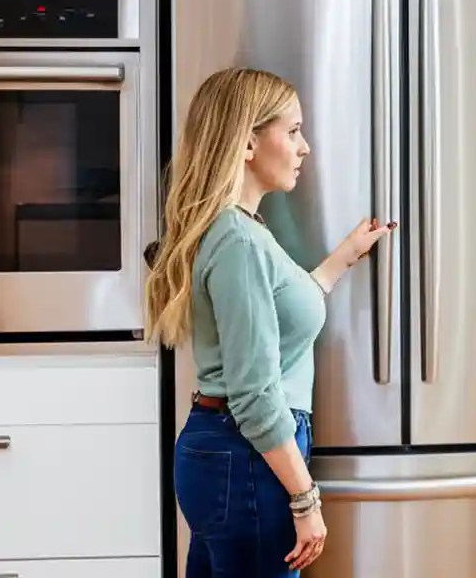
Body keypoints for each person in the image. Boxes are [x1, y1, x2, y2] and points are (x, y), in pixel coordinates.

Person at [145, 67, 396, 576]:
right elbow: (256, 391)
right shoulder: (240, 242)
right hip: (251, 457)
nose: (305, 148)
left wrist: (344, 256)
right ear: (247, 144)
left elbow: (281, 310)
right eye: (293, 131)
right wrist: (305, 499)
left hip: (232, 454)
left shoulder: (235, 232)